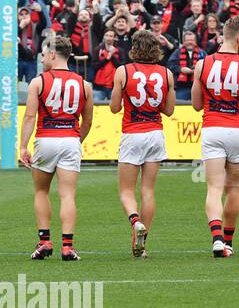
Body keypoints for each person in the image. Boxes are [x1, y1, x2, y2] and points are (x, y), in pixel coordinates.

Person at [193, 17, 239, 257]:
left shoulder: (202, 64)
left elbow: (195, 104)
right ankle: (229, 243)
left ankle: (216, 239)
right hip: (236, 129)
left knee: (213, 187)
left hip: (212, 127)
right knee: (234, 188)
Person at [21, 36, 94, 261]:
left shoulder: (38, 82)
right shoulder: (84, 84)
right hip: (70, 139)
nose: (42, 59)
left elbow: (30, 115)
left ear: (53, 54)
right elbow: (88, 121)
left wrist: (23, 146)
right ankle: (67, 247)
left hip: (45, 139)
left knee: (41, 191)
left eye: (44, 55)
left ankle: (44, 242)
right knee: (68, 194)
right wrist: (75, 140)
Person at [109, 30, 175, 258]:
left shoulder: (122, 71)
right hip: (155, 133)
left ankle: (134, 220)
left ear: (135, 48)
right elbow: (169, 110)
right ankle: (141, 246)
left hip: (132, 133)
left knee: (127, 190)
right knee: (148, 190)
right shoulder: (166, 73)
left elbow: (114, 108)